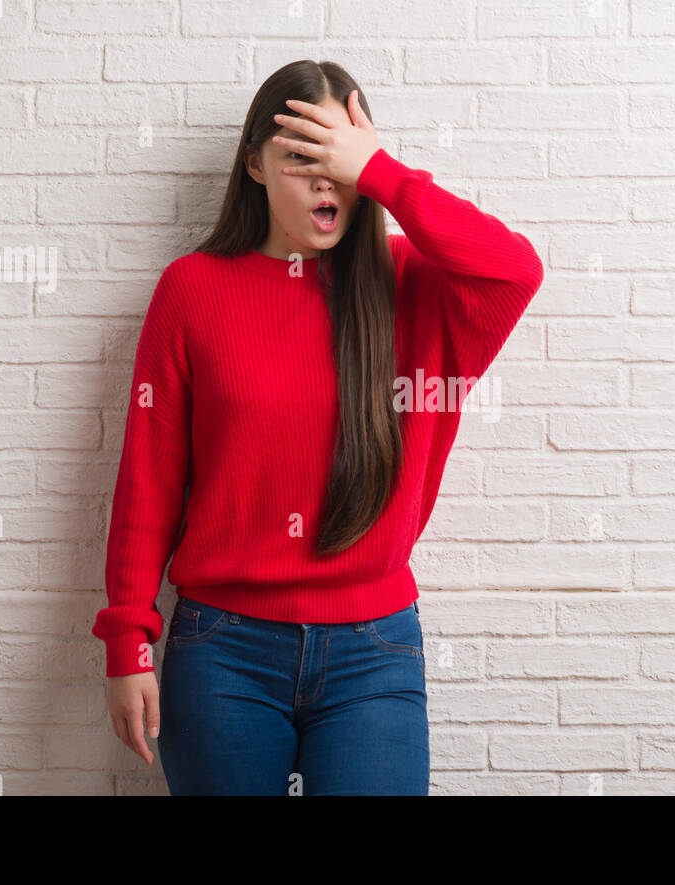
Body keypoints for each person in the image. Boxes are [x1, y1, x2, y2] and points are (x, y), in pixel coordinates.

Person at [92, 59, 544, 795]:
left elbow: (515, 272)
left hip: (375, 650)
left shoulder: (413, 286)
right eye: (302, 158)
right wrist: (128, 641)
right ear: (255, 164)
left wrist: (385, 174)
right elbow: (149, 477)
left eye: (339, 158)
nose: (325, 180)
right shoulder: (194, 290)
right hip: (223, 649)